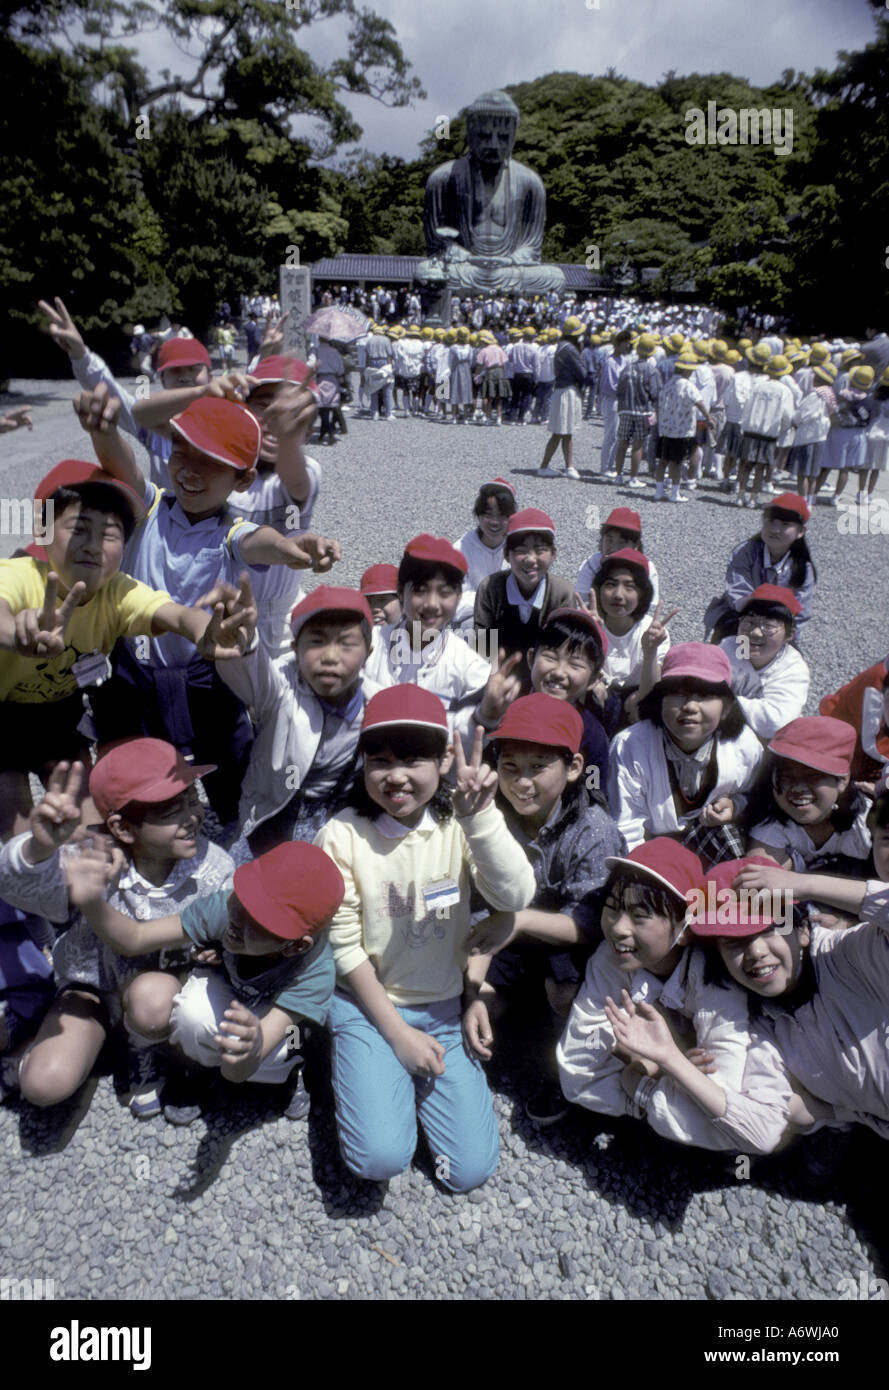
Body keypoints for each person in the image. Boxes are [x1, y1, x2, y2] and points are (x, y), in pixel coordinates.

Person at [72, 386, 339, 829]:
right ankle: (133, 831)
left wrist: (293, 548)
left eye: (211, 463)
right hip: (135, 672)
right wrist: (102, 431)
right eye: (182, 452)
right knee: (131, 764)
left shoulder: (232, 528)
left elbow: (260, 542)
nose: (191, 471)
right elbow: (122, 464)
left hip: (206, 674)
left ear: (242, 479)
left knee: (228, 762)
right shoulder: (150, 506)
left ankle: (244, 829)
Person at [314, 686, 536, 1190]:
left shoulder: (459, 823)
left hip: (440, 1006)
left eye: (414, 759)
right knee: (380, 1160)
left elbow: (516, 894)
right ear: (363, 764)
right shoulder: (342, 835)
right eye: (381, 760)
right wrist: (396, 1036)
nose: (396, 775)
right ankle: (363, 1067)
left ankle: (393, 1082)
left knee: (467, 1173)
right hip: (367, 1007)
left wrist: (480, 815)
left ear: (444, 761)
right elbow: (343, 947)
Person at [0, 459, 252, 838]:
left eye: (111, 534)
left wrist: (204, 630)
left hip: (58, 715)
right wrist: (16, 632)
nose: (93, 545)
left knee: (94, 833)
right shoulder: (21, 576)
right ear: (43, 530)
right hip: (2, 714)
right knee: (16, 834)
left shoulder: (117, 591)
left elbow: (174, 614)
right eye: (78, 528)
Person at [0, 747, 234, 1118]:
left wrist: (217, 953)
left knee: (152, 1000)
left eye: (192, 798)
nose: (192, 816)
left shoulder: (213, 867)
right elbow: (17, 890)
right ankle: (31, 1050)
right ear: (123, 827)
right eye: (170, 810)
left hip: (160, 998)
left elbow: (228, 935)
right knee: (45, 1085)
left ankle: (148, 1055)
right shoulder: (91, 859)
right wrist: (40, 847)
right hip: (91, 991)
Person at [62, 837, 343, 1125]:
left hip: (273, 1029)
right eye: (244, 897)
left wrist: (246, 1051)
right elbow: (137, 938)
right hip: (235, 1004)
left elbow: (241, 1069)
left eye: (259, 920)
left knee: (282, 1048)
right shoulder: (228, 910)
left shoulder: (314, 973)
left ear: (296, 946)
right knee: (189, 1014)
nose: (237, 918)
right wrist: (90, 902)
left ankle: (286, 1077)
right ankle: (196, 1067)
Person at [557, 842, 791, 1153]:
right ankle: (658, 1117)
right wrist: (657, 1067)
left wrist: (639, 1082)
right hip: (670, 1077)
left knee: (737, 1124)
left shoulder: (716, 980)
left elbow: (725, 1102)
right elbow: (577, 1068)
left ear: (686, 927)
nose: (618, 928)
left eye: (640, 916)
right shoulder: (609, 959)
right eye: (612, 907)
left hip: (746, 1082)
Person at [464, 695, 622, 1123]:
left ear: (573, 768)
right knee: (481, 1005)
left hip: (565, 945)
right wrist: (471, 990)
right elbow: (476, 908)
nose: (522, 783)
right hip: (506, 938)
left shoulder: (594, 830)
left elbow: (589, 924)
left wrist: (516, 921)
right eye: (510, 767)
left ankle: (564, 1075)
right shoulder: (491, 820)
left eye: (538, 767)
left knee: (565, 986)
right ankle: (502, 1029)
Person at [691, 840, 889, 1146]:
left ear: (803, 930)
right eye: (734, 941)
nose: (756, 951)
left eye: (770, 928)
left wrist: (806, 885)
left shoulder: (852, 955)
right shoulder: (760, 1026)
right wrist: (701, 1076)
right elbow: (777, 1120)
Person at [215, 586, 381, 855]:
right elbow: (252, 675)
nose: (329, 657)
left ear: (368, 654)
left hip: (341, 811)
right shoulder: (281, 688)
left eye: (346, 643)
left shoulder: (376, 703)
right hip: (274, 811)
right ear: (294, 648)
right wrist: (242, 646)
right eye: (316, 641)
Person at [609, 643, 763, 865]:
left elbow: (753, 798)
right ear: (660, 700)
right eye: (678, 694)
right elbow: (626, 826)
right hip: (649, 849)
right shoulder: (630, 745)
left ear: (727, 708)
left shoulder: (744, 745)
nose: (690, 706)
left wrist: (735, 806)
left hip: (710, 837)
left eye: (704, 695)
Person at [363, 535, 492, 745]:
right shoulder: (369, 644)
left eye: (445, 592)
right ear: (400, 593)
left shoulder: (471, 668)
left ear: (459, 597)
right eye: (420, 591)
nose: (432, 604)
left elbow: (473, 740)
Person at [747, 717, 871, 873]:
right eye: (787, 776)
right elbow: (758, 886)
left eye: (813, 776)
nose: (798, 788)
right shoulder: (771, 828)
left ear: (842, 781)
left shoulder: (867, 824)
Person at [703, 493, 816, 641]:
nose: (775, 529)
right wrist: (754, 626)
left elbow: (802, 612)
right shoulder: (745, 552)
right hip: (739, 618)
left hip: (778, 629)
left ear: (801, 531)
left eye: (785, 524)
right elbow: (737, 591)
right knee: (730, 652)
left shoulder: (803, 569)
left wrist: (781, 634)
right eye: (770, 521)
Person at [473, 509, 577, 670]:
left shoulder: (562, 593)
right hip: (496, 672)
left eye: (540, 550)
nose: (530, 559)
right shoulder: (490, 588)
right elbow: (482, 643)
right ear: (507, 555)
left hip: (542, 676)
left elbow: (561, 650)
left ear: (553, 554)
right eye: (521, 551)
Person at [592, 549, 670, 734]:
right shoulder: (589, 622)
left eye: (629, 586)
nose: (618, 595)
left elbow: (652, 691)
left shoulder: (652, 631)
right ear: (599, 588)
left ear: (643, 593)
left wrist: (650, 650)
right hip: (595, 696)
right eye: (611, 584)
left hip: (637, 702)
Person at [718, 585, 810, 740]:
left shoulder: (793, 667)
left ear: (789, 635)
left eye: (768, 626)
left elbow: (776, 722)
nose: (755, 632)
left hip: (765, 743)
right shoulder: (729, 646)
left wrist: (722, 703)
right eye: (749, 622)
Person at [452, 478, 516, 626]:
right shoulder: (460, 550)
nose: (495, 521)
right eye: (488, 514)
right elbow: (455, 604)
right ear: (478, 515)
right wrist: (494, 599)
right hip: (474, 618)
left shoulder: (517, 546)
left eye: (502, 515)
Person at [576, 507, 660, 614]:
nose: (614, 547)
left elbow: (650, 605)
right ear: (602, 539)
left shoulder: (647, 567)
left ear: (636, 545)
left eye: (622, 542)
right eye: (609, 539)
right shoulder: (591, 563)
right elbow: (582, 598)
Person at [653, 353, 713, 503]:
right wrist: (708, 417)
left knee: (663, 461)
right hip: (681, 430)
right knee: (677, 462)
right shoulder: (688, 385)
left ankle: (659, 491)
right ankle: (675, 492)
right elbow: (698, 401)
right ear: (687, 371)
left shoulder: (668, 383)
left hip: (666, 428)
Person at [536, 317, 586, 479]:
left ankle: (567, 465)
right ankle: (547, 466)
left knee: (565, 432)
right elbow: (582, 373)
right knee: (561, 431)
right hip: (567, 391)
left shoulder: (562, 347)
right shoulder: (570, 349)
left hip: (562, 390)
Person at [613, 333, 660, 488]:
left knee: (622, 443)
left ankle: (618, 475)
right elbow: (654, 393)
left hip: (626, 410)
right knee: (638, 445)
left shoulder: (627, 367)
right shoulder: (651, 370)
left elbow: (619, 390)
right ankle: (633, 477)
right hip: (643, 411)